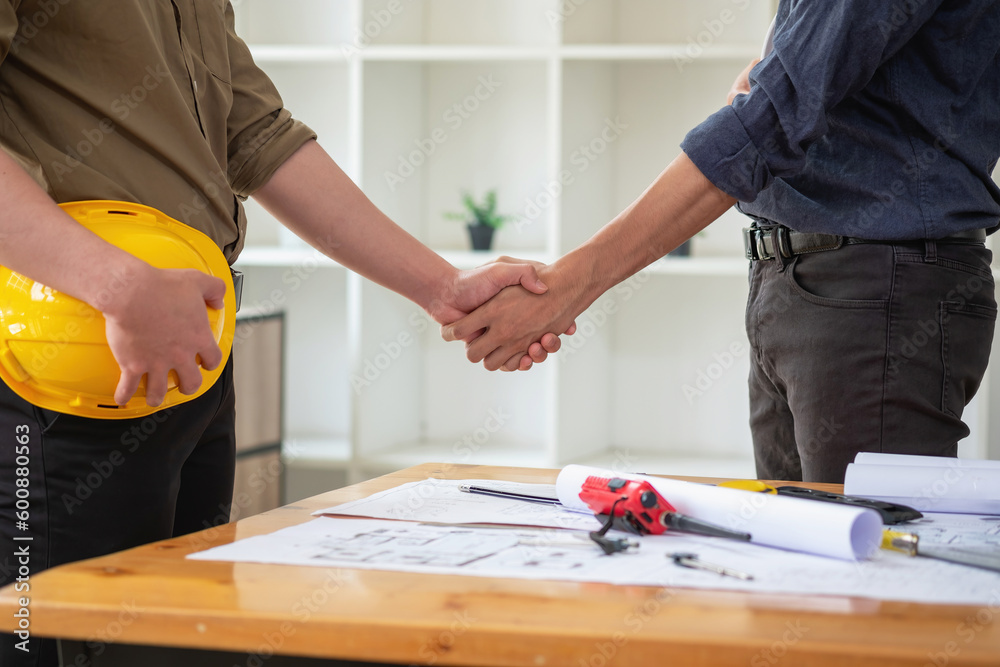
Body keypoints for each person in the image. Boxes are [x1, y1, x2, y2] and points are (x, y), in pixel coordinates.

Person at [0, 3, 568, 665]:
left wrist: (441, 287)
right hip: (64, 355)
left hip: (189, 344)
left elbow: (256, 134)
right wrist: (116, 285)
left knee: (184, 641)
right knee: (49, 636)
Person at [445, 0, 1000, 485]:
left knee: (867, 584)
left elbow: (765, 123)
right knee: (799, 570)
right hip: (807, 279)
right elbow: (784, 100)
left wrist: (569, 282)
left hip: (873, 288)